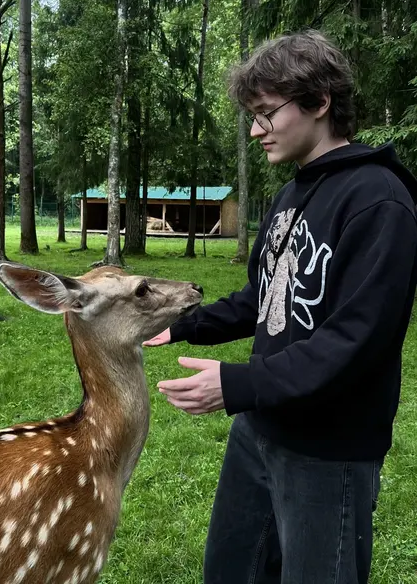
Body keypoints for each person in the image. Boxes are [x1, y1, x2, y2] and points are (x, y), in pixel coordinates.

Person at [144, 30, 417, 584]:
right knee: (230, 570)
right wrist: (185, 324)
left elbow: (354, 341)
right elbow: (263, 296)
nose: (255, 130)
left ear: (319, 102)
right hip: (259, 429)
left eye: (266, 113)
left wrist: (237, 384)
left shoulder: (379, 200)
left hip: (328, 451)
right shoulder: (291, 195)